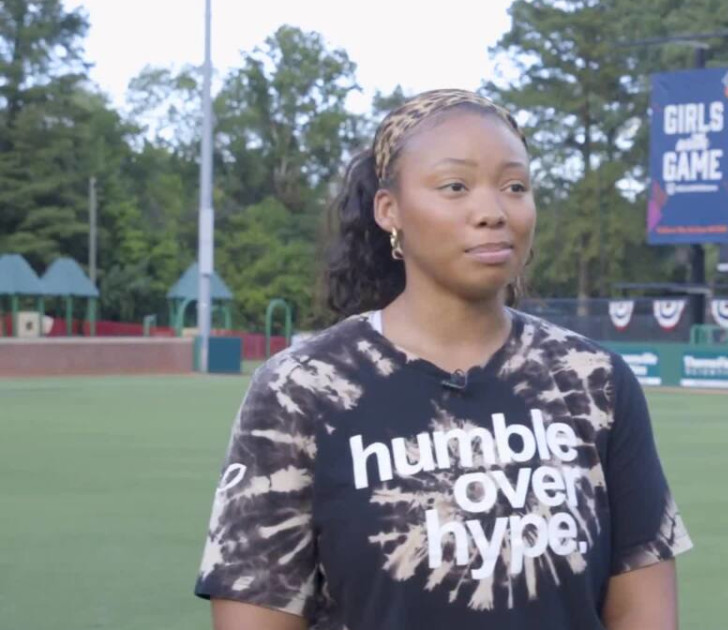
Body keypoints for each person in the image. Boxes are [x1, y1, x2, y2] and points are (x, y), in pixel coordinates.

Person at [194, 89, 692, 630]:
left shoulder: (593, 382)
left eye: (515, 187)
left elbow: (644, 612)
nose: (492, 212)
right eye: (455, 187)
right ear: (390, 210)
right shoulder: (302, 389)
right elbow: (254, 617)